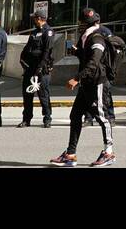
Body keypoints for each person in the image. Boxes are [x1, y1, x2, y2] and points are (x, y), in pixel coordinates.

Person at [51, 8, 115, 166]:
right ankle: (70, 154)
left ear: (87, 24)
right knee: (75, 115)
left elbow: (94, 62)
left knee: (102, 117)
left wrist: (76, 78)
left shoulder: (97, 38)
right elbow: (86, 57)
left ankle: (109, 152)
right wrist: (77, 52)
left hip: (97, 82)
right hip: (87, 83)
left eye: (81, 23)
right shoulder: (86, 36)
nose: (79, 25)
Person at [19, 9, 55, 128]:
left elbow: (47, 51)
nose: (33, 20)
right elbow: (28, 47)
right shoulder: (34, 32)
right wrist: (22, 59)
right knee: (27, 94)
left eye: (34, 18)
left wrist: (40, 67)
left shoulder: (48, 32)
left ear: (39, 19)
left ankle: (47, 118)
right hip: (30, 68)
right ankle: (26, 119)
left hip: (41, 68)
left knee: (43, 94)